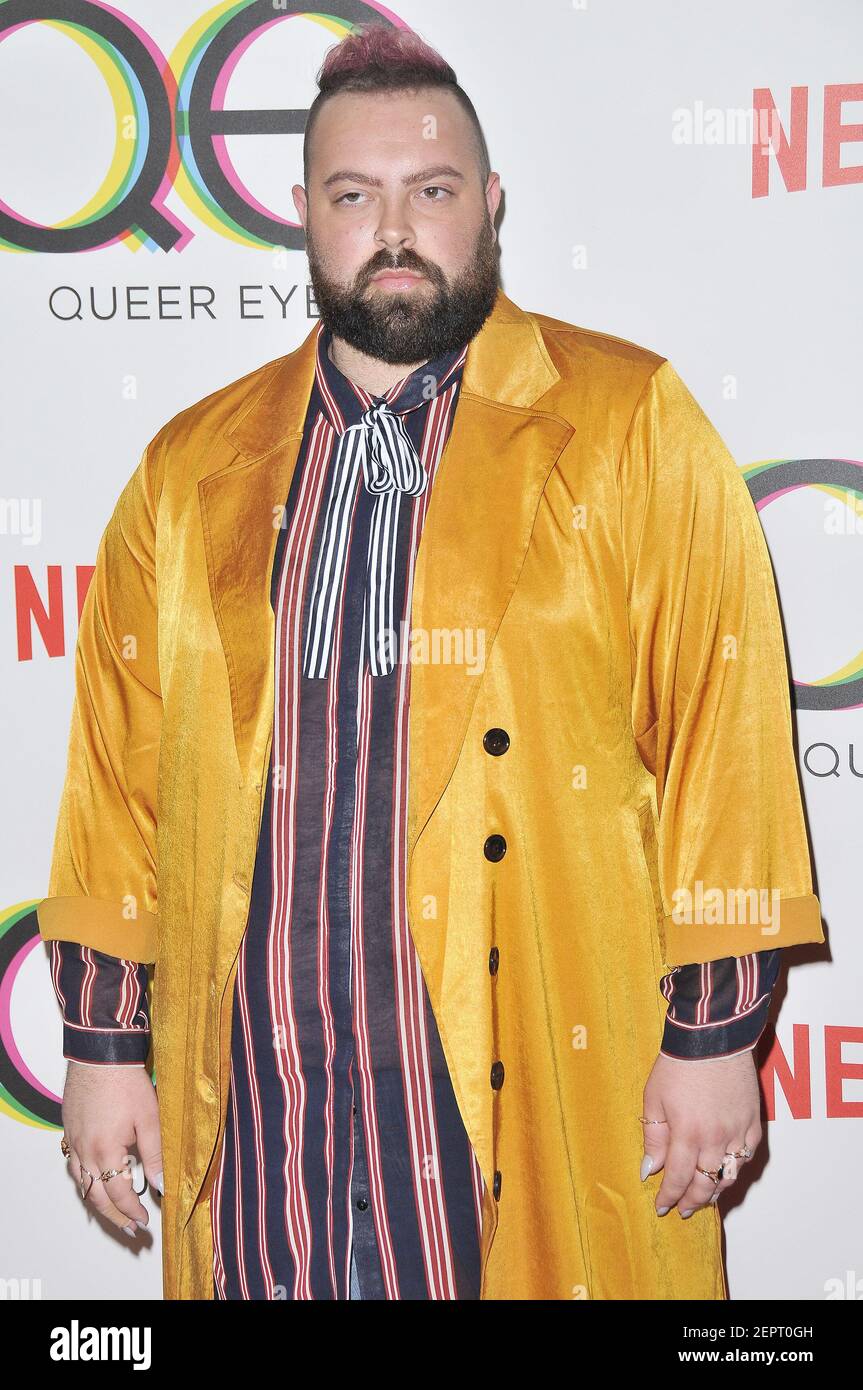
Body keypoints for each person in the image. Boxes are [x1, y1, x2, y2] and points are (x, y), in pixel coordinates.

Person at [38, 23, 824, 1300]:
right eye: (354, 196)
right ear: (301, 214)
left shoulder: (623, 424)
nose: (393, 228)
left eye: (432, 191)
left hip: (519, 1081)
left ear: (491, 204)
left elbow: (717, 727)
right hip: (266, 1120)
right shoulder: (191, 472)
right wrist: (104, 1044)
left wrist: (714, 1035)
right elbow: (118, 782)